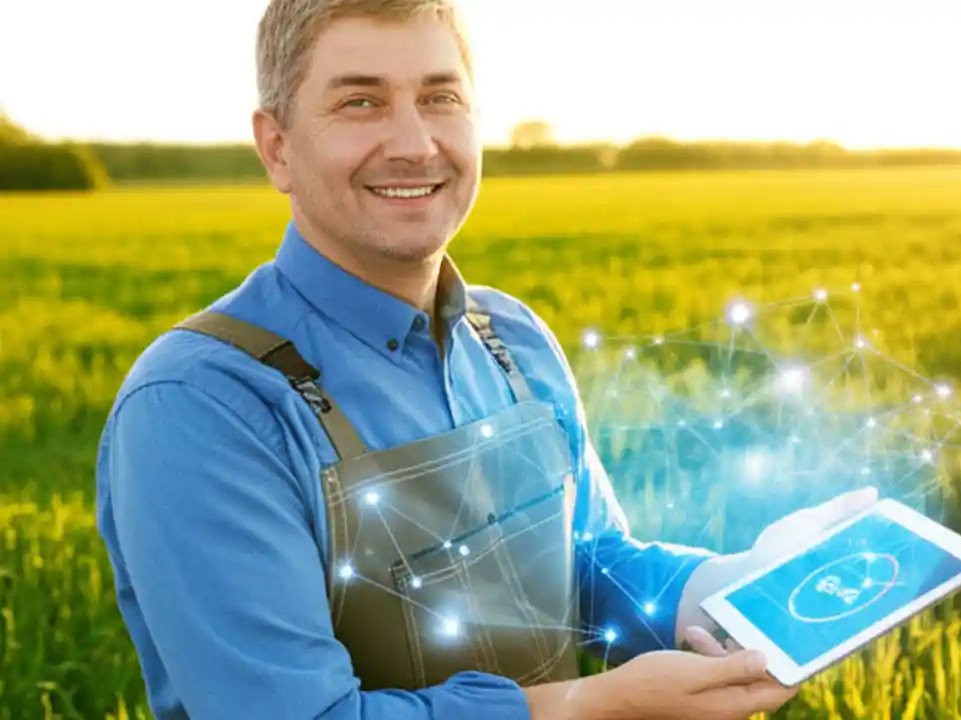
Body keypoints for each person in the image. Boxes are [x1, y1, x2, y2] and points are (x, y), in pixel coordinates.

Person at [94, 1, 878, 718]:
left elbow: (586, 563)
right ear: (277, 148)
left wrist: (735, 586)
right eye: (360, 101)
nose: (414, 142)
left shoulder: (514, 339)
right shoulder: (201, 406)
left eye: (440, 97)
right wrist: (584, 709)